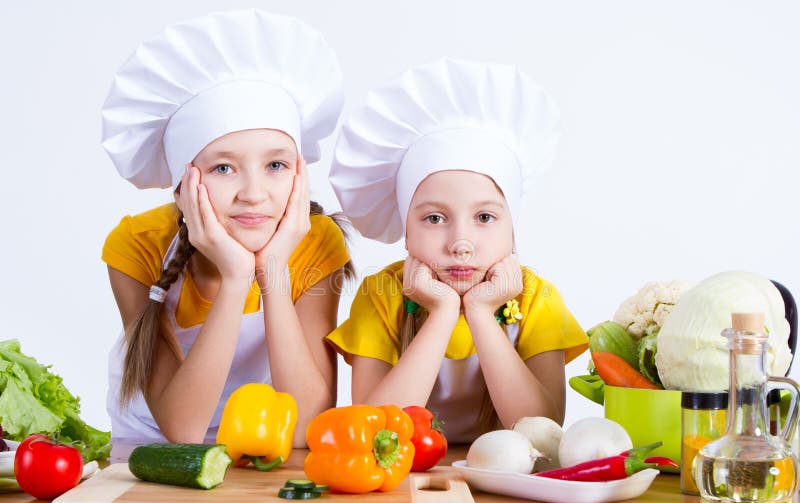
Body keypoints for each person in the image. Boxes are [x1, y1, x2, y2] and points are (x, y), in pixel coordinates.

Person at [101, 10, 352, 445]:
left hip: (263, 447)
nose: (253, 194)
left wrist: (272, 270)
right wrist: (237, 277)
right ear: (181, 185)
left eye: (276, 165)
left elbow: (306, 426)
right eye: (223, 168)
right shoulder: (136, 247)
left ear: (300, 173)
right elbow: (183, 430)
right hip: (151, 453)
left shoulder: (315, 243)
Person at [327, 59, 588, 443]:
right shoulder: (381, 296)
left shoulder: (537, 299)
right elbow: (376, 430)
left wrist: (480, 313)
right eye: (434, 219)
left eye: (484, 217)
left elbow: (541, 433)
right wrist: (442, 313)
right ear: (406, 233)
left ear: (512, 230)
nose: (460, 243)